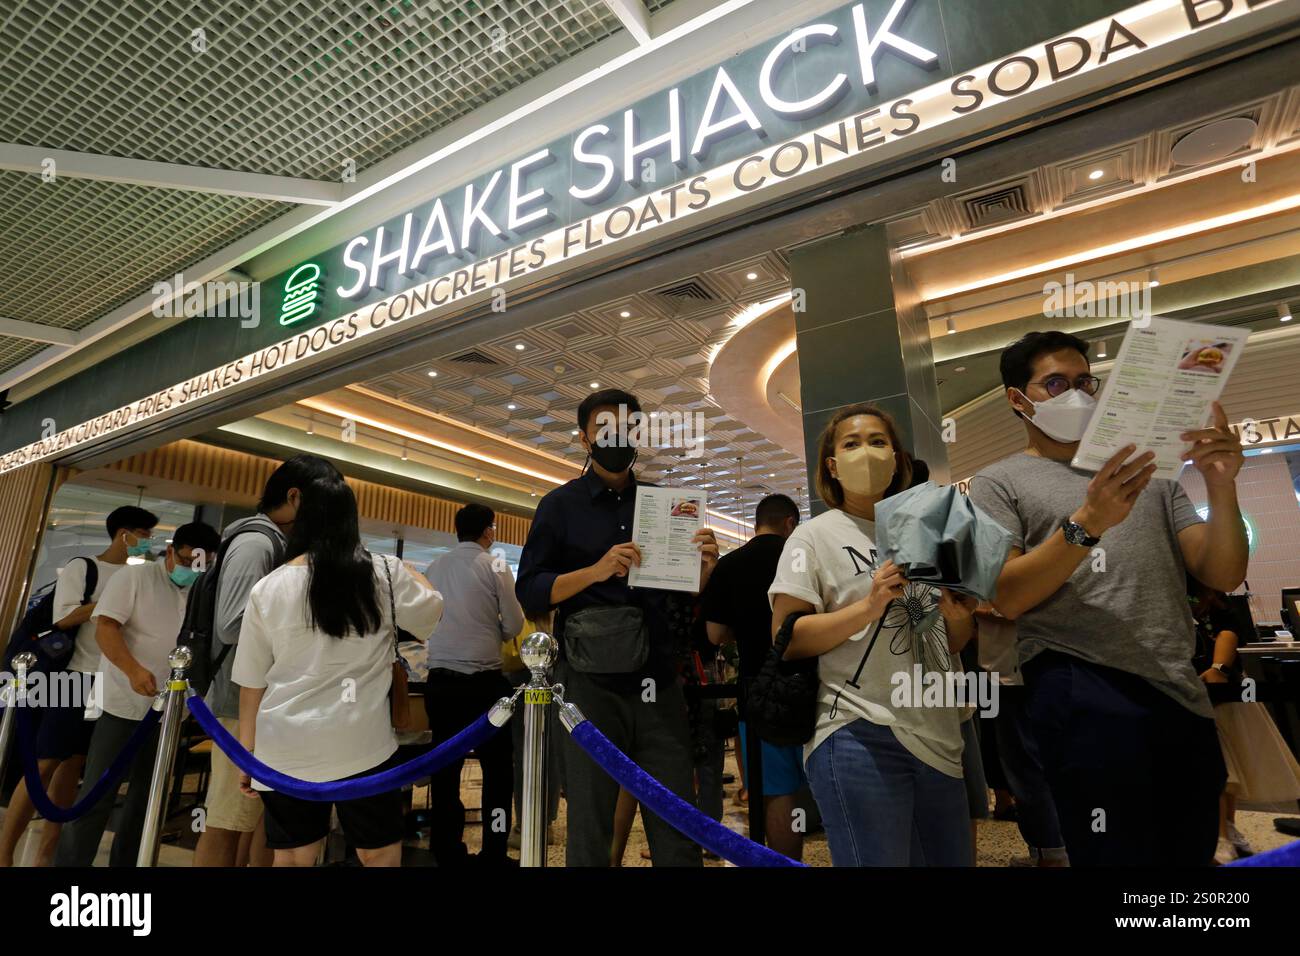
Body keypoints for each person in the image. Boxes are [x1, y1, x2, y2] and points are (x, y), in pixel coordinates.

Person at [967, 330, 1246, 866]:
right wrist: (1088, 522)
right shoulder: (998, 483)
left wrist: (1221, 485)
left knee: (1190, 851)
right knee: (1113, 853)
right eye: (1055, 383)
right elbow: (1005, 595)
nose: (1076, 394)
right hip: (1081, 686)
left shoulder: (1149, 473)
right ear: (1017, 399)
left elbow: (1223, 572)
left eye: (1084, 381)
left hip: (1176, 686)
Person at [516, 387, 718, 867]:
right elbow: (531, 589)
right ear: (584, 439)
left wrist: (703, 571)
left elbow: (681, 594)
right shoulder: (560, 505)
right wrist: (596, 571)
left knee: (677, 822)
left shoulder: (664, 503)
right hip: (589, 683)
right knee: (591, 823)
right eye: (605, 429)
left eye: (628, 428)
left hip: (658, 678)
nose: (617, 437)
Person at [769, 404, 977, 866]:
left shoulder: (931, 533)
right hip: (857, 730)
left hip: (940, 732)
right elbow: (787, 637)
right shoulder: (813, 537)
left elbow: (951, 643)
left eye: (878, 442)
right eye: (852, 443)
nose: (867, 452)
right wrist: (869, 605)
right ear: (832, 465)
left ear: (897, 458)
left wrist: (959, 614)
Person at [232, 472, 442, 867]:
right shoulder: (384, 572)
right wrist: (410, 570)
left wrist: (247, 753)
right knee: (378, 854)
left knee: (293, 856)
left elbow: (252, 680)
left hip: (283, 747)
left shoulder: (269, 586)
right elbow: (432, 613)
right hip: (364, 745)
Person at [193, 454, 340, 868]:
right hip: (239, 703)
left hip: (262, 703)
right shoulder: (257, 543)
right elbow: (231, 624)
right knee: (227, 820)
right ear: (295, 497)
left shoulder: (277, 543)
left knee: (260, 821)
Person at [54, 521, 221, 867]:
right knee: (98, 792)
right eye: (187, 561)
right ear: (171, 551)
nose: (192, 570)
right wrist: (132, 670)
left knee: (147, 799)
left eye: (201, 565)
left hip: (171, 711)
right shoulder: (134, 578)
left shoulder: (204, 590)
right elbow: (105, 628)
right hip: (124, 704)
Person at [0, 506, 158, 867]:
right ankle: (5, 851)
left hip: (109, 680)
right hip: (72, 675)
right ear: (124, 534)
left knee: (74, 766)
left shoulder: (141, 576)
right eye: (143, 535)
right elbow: (63, 617)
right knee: (45, 763)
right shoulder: (84, 567)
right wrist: (108, 604)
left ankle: (47, 854)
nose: (147, 542)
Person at [702, 493, 803, 859]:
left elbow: (714, 635)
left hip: (758, 690)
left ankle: (785, 865)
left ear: (757, 522)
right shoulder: (802, 557)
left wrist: (743, 632)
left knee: (777, 791)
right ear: (790, 523)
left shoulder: (730, 565)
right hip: (815, 686)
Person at [423, 502, 524, 867]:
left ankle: (446, 850)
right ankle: (494, 853)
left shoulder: (434, 567)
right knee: (497, 771)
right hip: (485, 684)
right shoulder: (495, 565)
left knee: (445, 769)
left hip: (441, 683)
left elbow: (424, 622)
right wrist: (492, 630)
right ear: (488, 531)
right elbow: (514, 623)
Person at [1187, 578, 1300, 864]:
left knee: (1227, 768)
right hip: (1196, 689)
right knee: (1219, 768)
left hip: (1221, 692)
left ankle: (1226, 830)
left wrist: (1219, 668)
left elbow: (1230, 628)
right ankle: (1220, 833)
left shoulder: (1209, 593)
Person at [974, 602, 1067, 867]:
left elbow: (1013, 604)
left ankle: (1051, 854)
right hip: (1019, 665)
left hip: (1017, 665)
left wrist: (972, 608)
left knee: (1025, 766)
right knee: (1029, 763)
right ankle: (1048, 851)